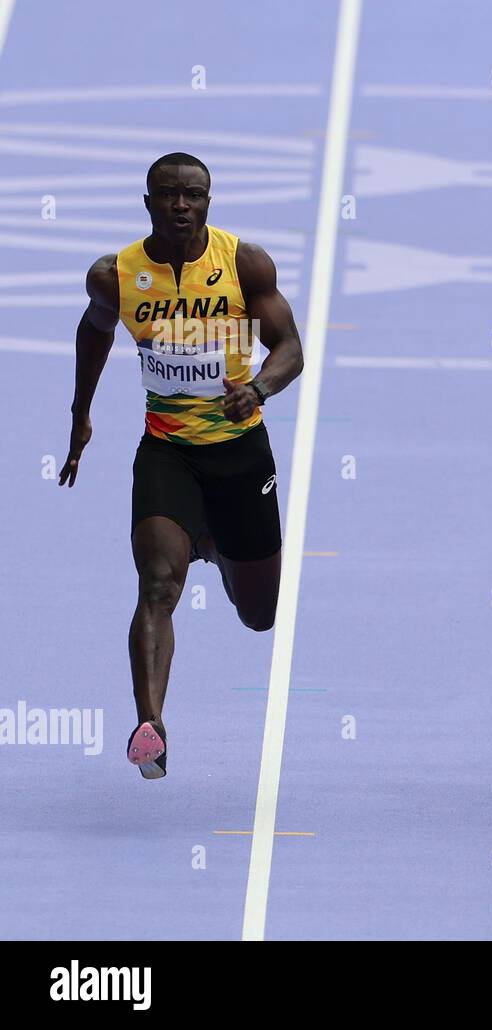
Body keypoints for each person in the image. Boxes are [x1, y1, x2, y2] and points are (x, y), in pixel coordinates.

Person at [59, 153, 305, 778]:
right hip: (166, 450)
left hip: (240, 453)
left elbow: (290, 346)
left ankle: (218, 544)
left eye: (192, 195)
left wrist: (261, 389)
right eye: (167, 195)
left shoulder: (244, 264)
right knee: (157, 585)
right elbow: (94, 334)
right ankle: (150, 724)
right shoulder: (116, 275)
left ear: (207, 202)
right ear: (148, 203)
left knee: (259, 616)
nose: (179, 205)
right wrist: (80, 415)